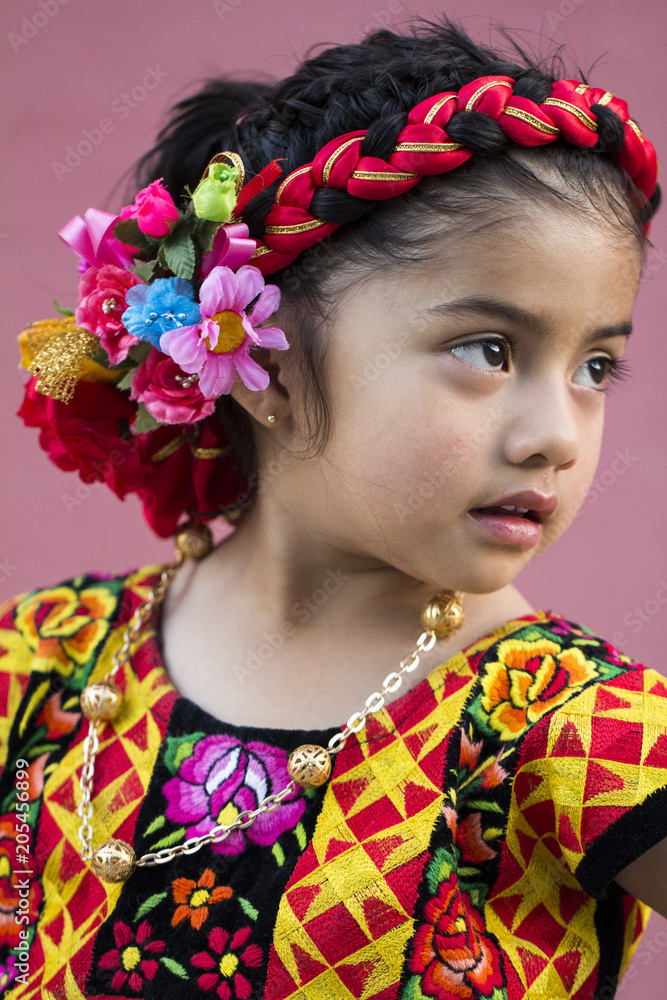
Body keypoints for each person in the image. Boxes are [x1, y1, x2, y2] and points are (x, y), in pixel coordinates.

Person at [1, 15, 665, 1000]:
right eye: (490, 349)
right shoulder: (44, 660)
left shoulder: (573, 728)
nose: (557, 435)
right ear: (254, 357)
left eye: (594, 366)